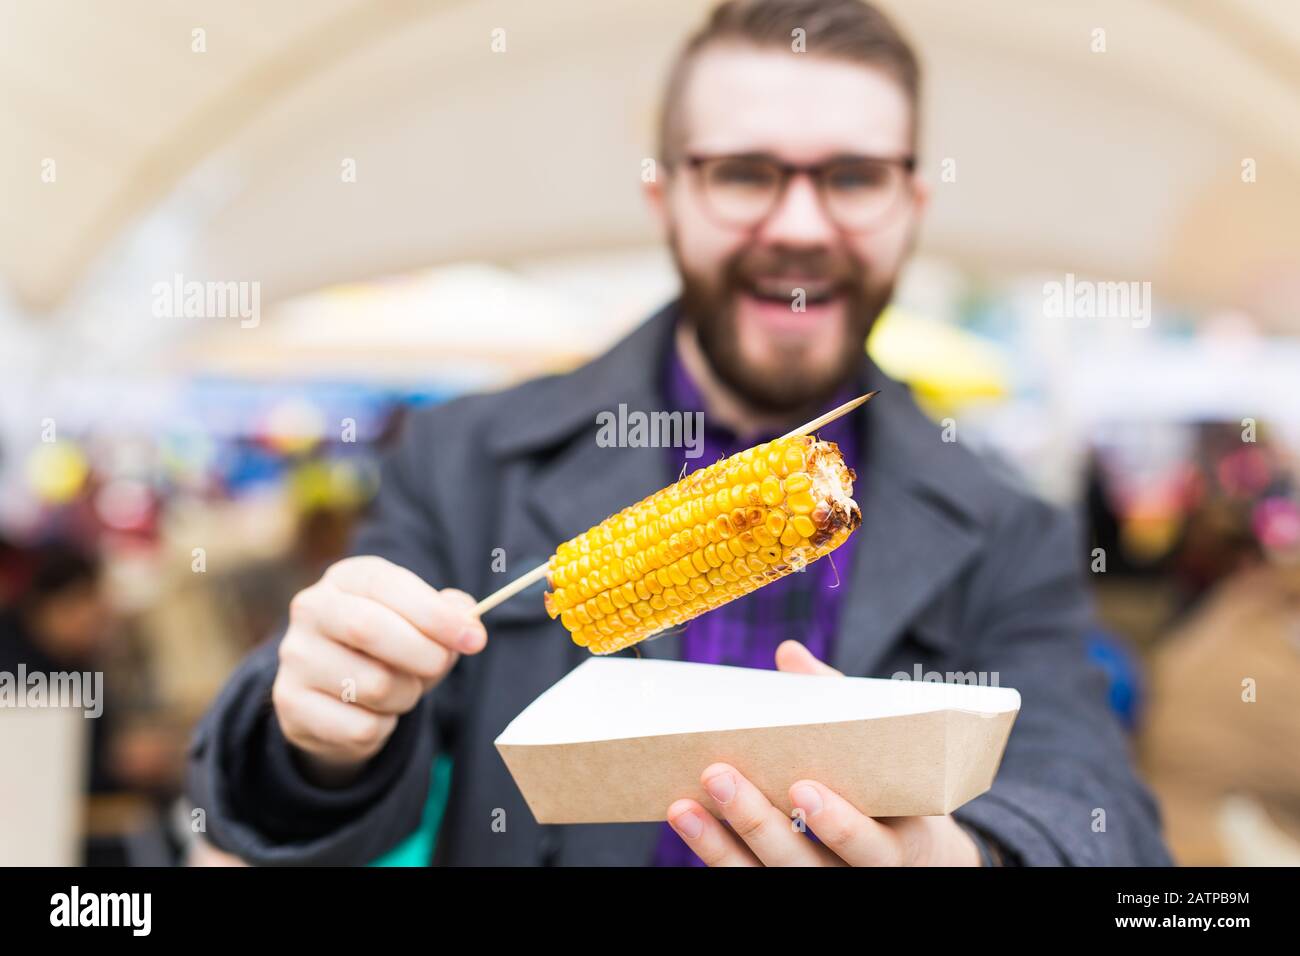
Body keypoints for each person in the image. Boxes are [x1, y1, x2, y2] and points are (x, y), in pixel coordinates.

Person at [188, 0, 1171, 866]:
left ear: (912, 205)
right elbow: (312, 814)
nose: (799, 225)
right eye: (744, 172)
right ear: (666, 195)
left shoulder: (1007, 525)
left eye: (853, 177)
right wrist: (320, 734)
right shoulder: (465, 462)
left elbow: (1098, 807)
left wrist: (963, 856)